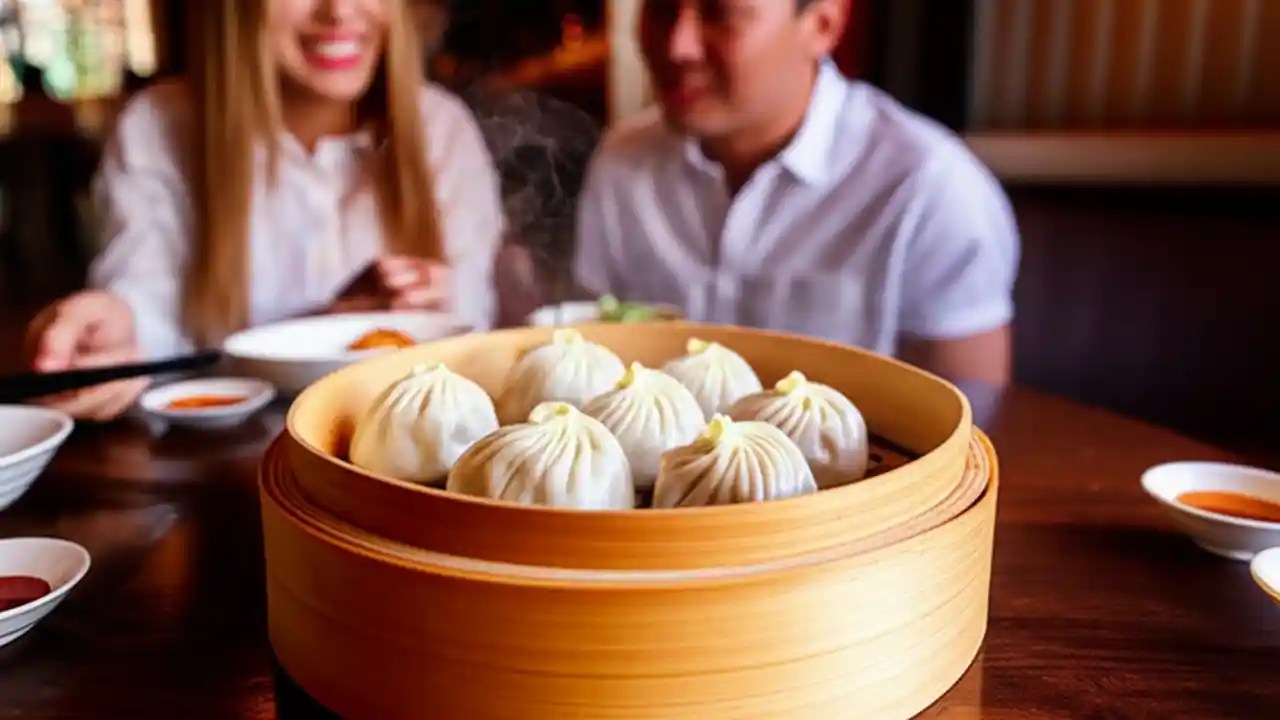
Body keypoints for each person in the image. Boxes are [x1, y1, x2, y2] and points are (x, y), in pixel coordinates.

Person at [24, 0, 505, 420]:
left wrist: (380, 320)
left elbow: (474, 322)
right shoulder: (158, 127)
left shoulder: (440, 129)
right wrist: (110, 333)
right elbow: (148, 315)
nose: (339, 9)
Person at [574, 0, 1020, 385]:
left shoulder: (929, 190)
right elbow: (594, 349)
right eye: (662, 9)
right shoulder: (622, 164)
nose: (677, 46)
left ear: (823, 25)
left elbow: (968, 426)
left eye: (721, 13)